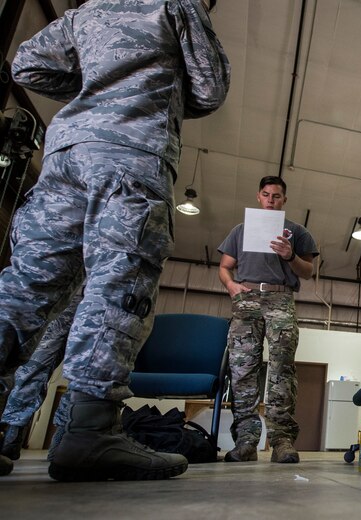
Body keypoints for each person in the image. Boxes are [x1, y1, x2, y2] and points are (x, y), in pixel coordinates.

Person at [0, 0, 230, 480]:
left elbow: (27, 64)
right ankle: (89, 434)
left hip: (67, 154)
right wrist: (141, 97)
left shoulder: (88, 10)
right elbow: (210, 89)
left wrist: (93, 89)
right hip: (130, 153)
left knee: (25, 286)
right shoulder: (175, 5)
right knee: (118, 285)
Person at [218, 176, 319, 464]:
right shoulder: (240, 230)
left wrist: (290, 256)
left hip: (280, 299)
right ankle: (246, 441)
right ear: (259, 197)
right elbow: (225, 267)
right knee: (242, 371)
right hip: (246, 297)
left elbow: (309, 271)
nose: (271, 200)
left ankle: (281, 440)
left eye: (276, 196)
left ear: (284, 199)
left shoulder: (298, 232)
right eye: (266, 195)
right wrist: (231, 286)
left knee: (282, 369)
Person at [0, 286, 82, 462]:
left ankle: (64, 439)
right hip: (77, 287)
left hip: (101, 288)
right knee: (38, 361)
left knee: (87, 370)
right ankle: (11, 435)